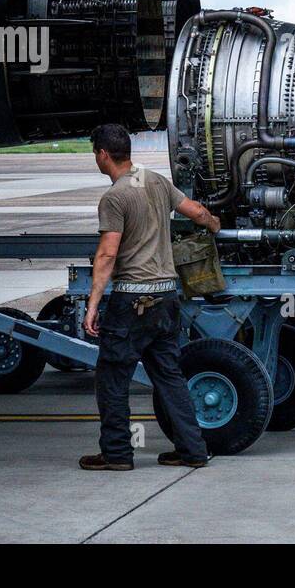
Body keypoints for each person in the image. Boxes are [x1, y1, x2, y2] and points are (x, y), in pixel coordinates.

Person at [79, 124, 221, 471]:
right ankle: (193, 450)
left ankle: (117, 454)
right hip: (167, 300)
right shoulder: (154, 180)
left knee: (112, 378)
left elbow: (107, 254)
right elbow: (198, 213)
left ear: (102, 154)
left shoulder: (114, 197)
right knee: (170, 377)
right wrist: (215, 225)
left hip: (132, 302)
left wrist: (93, 303)